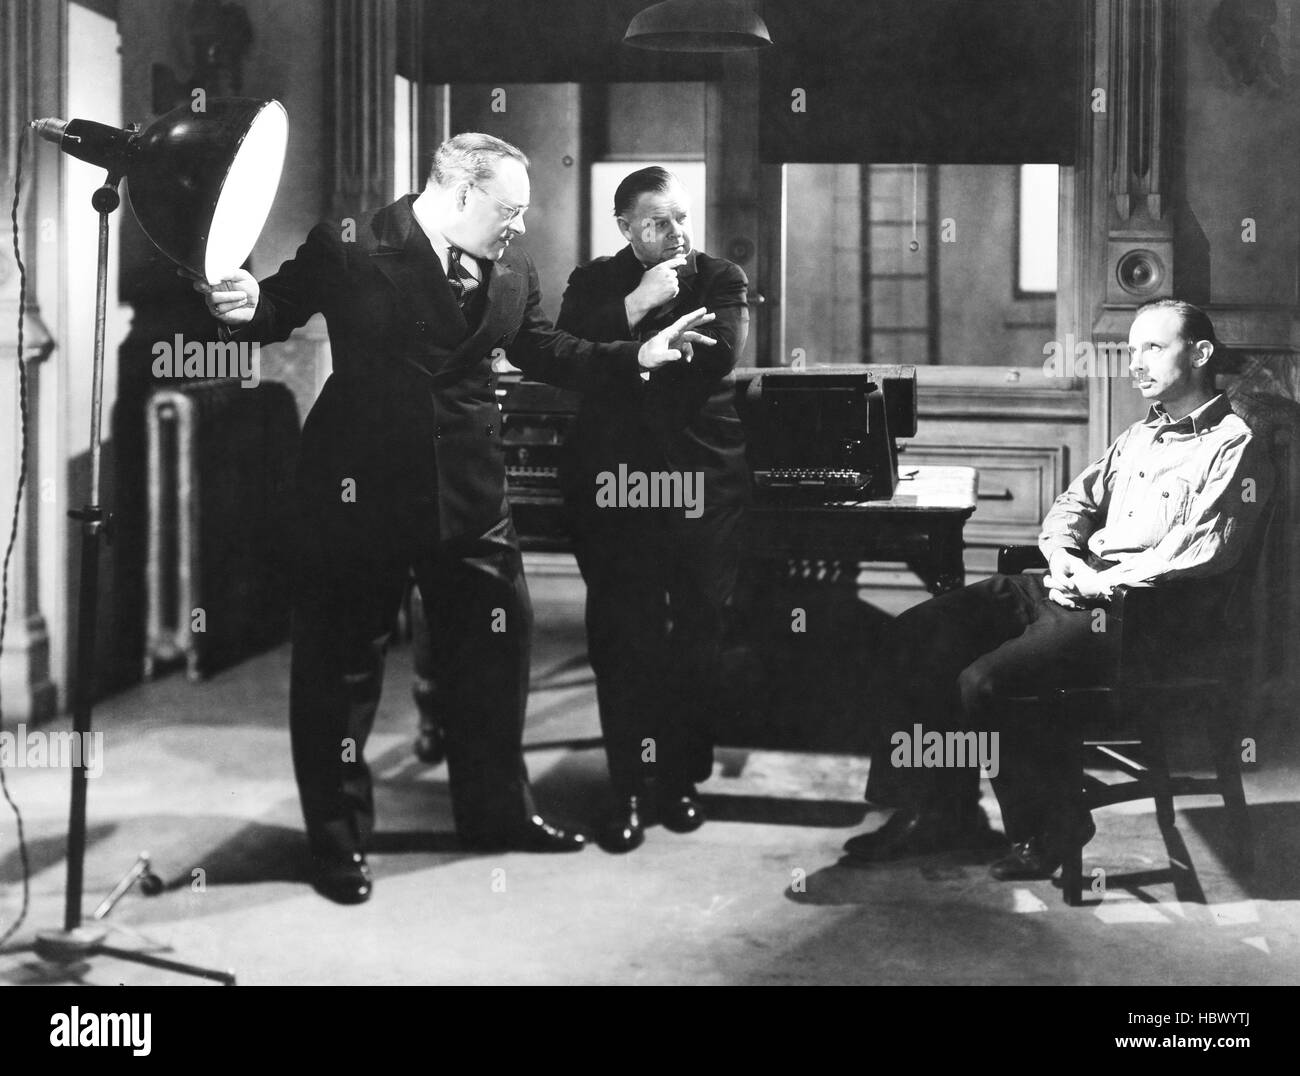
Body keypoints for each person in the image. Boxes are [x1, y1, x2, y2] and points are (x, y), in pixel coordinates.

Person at [195, 134, 717, 903]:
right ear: (462, 192)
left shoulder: (512, 267)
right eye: (510, 210)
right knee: (341, 672)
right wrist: (241, 306)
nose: (519, 227)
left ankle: (497, 814)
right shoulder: (352, 246)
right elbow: (275, 308)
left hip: (470, 492)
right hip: (357, 489)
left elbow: (545, 348)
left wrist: (636, 356)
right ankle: (337, 842)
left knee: (496, 654)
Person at [843, 299, 1274, 879]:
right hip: (1070, 586)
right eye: (1131, 349)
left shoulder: (1232, 445)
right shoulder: (1140, 435)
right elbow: (1075, 503)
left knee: (986, 682)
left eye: (1152, 348)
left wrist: (1099, 580)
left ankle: (1053, 823)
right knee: (913, 636)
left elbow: (1199, 554)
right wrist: (1065, 556)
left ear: (1198, 354)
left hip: (1137, 616)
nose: (1135, 364)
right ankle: (938, 811)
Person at [553, 166, 750, 852]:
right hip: (614, 484)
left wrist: (623, 357)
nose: (676, 234)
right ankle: (628, 790)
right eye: (657, 222)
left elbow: (718, 354)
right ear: (625, 228)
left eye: (682, 218)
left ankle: (680, 780)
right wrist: (640, 307)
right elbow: (567, 355)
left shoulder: (721, 277)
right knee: (623, 637)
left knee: (697, 632)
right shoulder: (594, 282)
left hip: (701, 484)